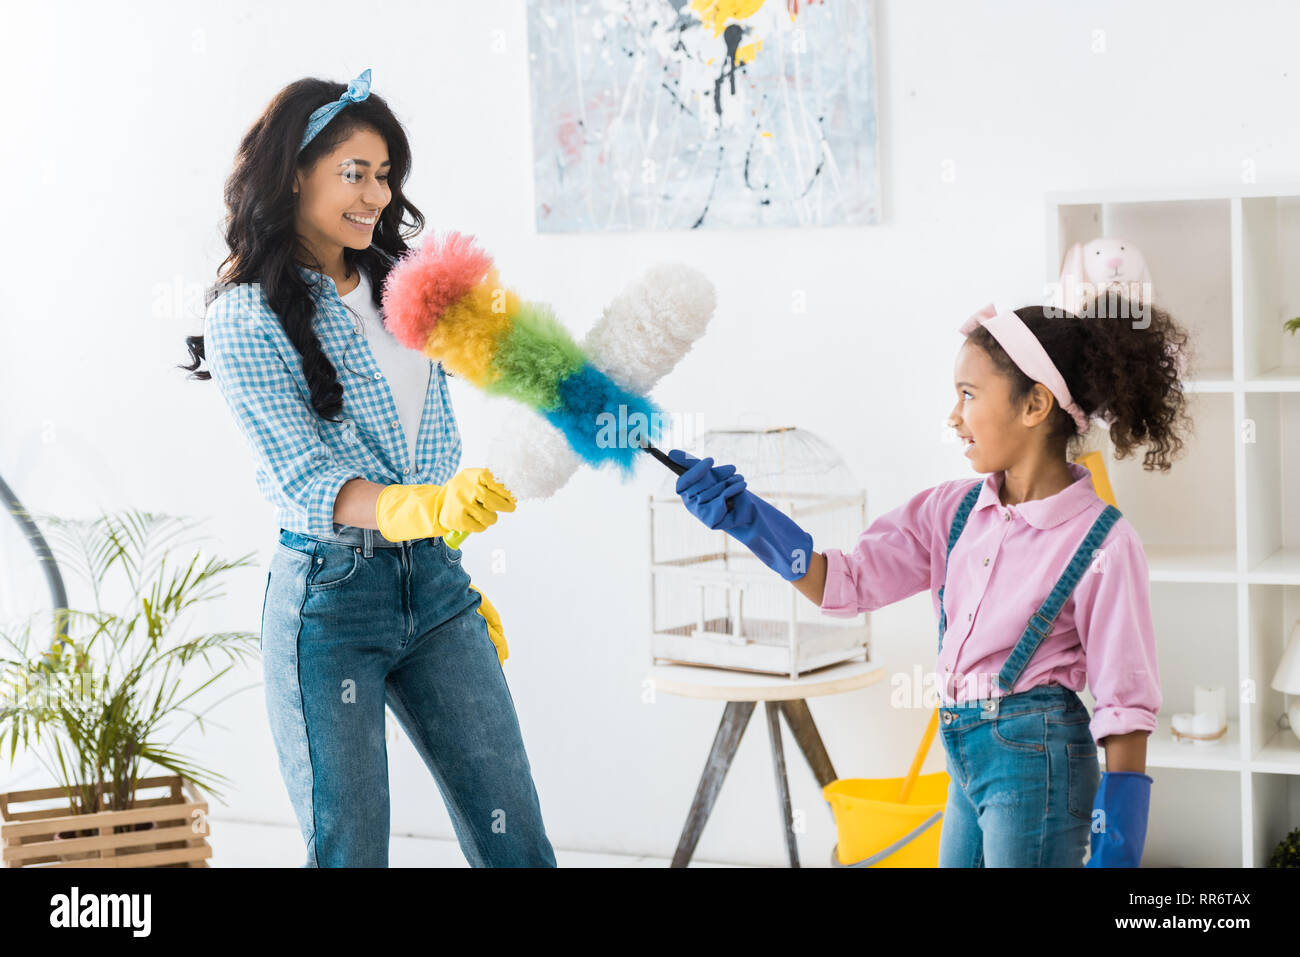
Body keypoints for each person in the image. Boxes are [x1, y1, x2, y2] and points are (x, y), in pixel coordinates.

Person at [179, 68, 556, 867]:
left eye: (385, 175)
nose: (377, 195)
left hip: (440, 590)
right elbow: (305, 479)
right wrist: (422, 507)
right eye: (355, 173)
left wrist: (442, 535)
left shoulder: (406, 283)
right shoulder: (243, 315)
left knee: (515, 838)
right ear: (293, 174)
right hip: (331, 603)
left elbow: (471, 391)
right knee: (350, 852)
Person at [669, 294, 1193, 867]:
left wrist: (1116, 846)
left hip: (1038, 764)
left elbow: (1125, 704)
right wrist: (749, 519)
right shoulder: (953, 512)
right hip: (965, 756)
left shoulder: (1103, 543)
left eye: (968, 395)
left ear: (1035, 404)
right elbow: (845, 584)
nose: (953, 416)